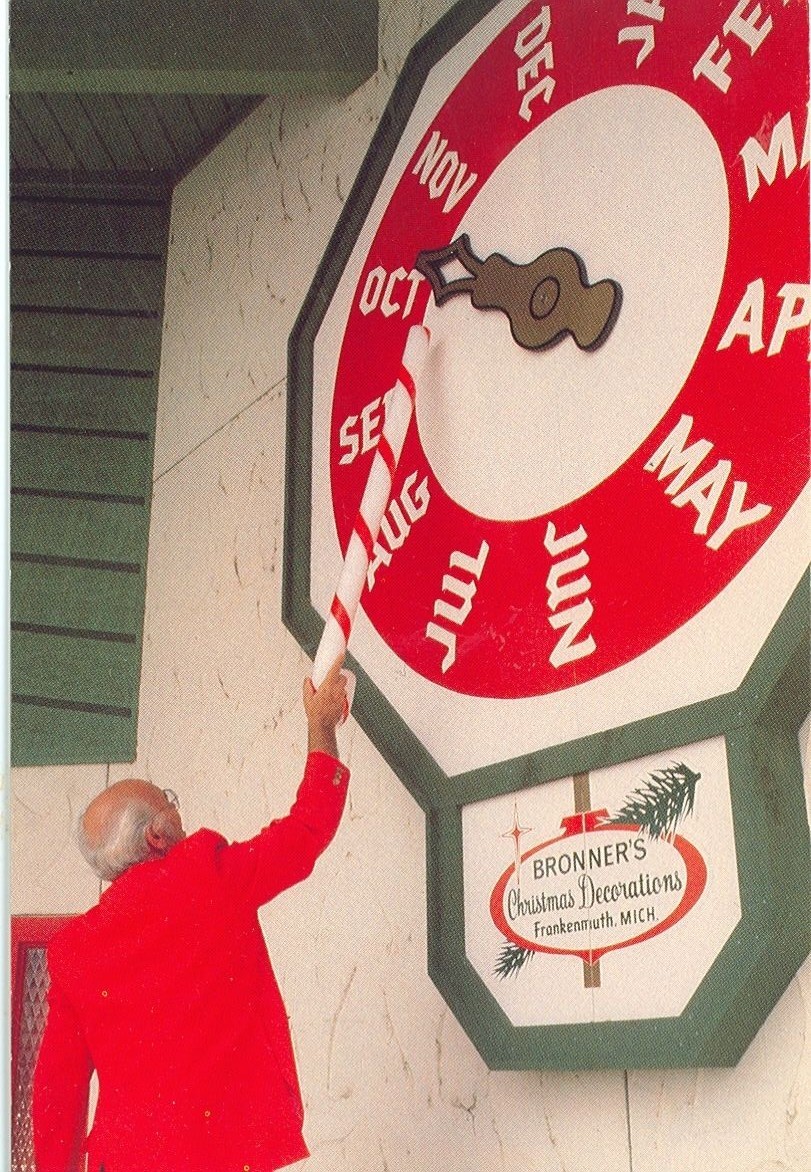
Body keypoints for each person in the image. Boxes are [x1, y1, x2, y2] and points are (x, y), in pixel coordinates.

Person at [32, 657, 350, 1172]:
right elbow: (308, 828)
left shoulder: (73, 951)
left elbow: (55, 1099)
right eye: (170, 804)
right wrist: (320, 724)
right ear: (157, 837)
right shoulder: (206, 876)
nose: (181, 813)